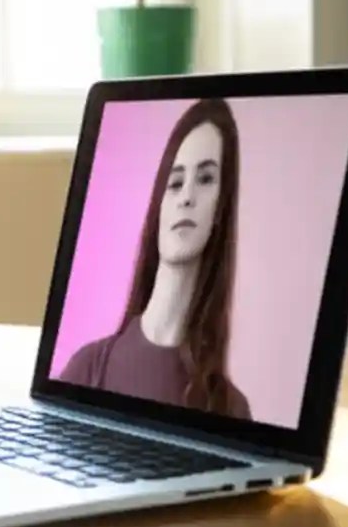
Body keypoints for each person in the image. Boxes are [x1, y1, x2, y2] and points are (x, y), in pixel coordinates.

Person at [59, 100, 252, 420]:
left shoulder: (230, 408)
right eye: (175, 183)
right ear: (159, 206)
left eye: (205, 179)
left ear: (221, 208)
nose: (186, 196)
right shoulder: (88, 368)